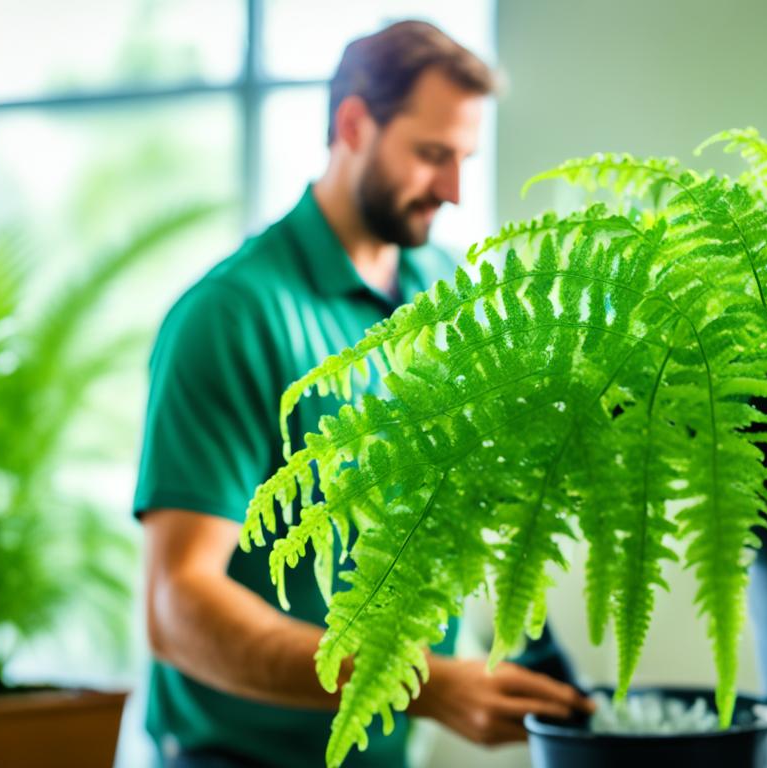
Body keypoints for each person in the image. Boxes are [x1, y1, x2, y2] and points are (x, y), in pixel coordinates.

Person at [134, 20, 591, 768]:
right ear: (353, 124)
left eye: (464, 159)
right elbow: (177, 607)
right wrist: (418, 684)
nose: (453, 189)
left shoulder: (447, 296)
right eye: (431, 155)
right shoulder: (231, 317)